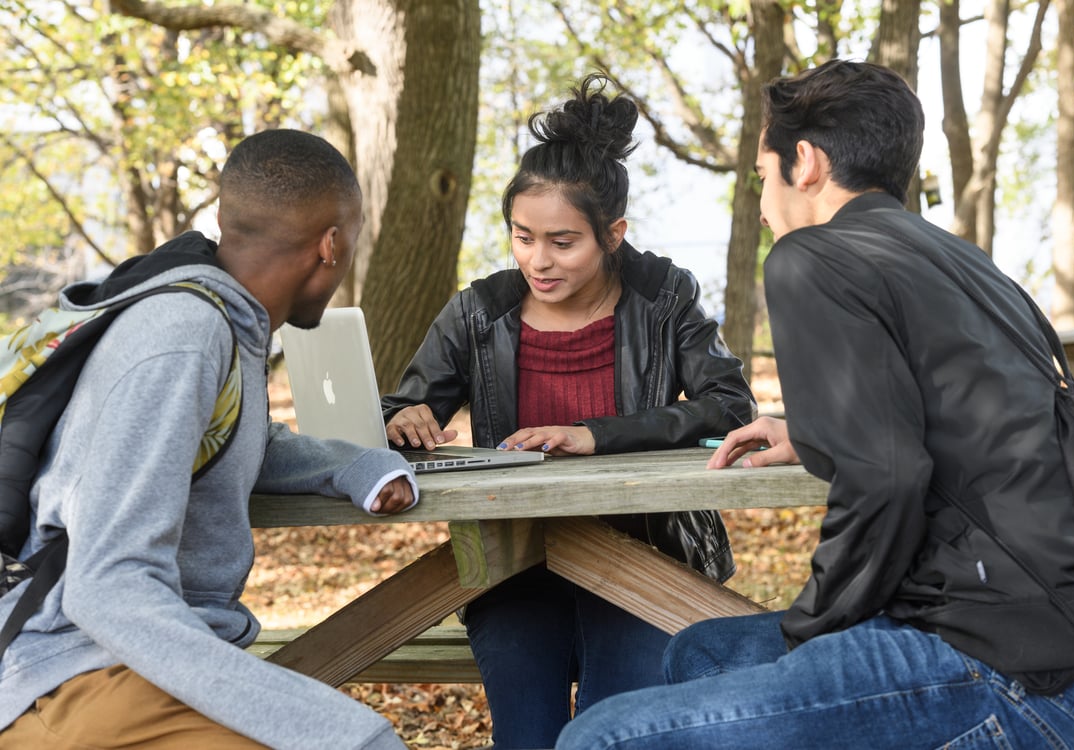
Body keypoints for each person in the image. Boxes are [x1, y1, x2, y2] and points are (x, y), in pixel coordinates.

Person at [555, 59, 1074, 749]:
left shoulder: (812, 256)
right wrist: (814, 430)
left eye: (761, 176)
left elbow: (885, 477)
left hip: (1003, 673)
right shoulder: (963, 262)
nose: (761, 205)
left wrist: (811, 631)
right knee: (699, 653)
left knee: (600, 737)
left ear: (806, 161)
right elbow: (961, 415)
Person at [0, 129, 417, 749]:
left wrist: (356, 468)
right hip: (71, 676)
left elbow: (240, 438)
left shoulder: (221, 319)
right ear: (331, 244)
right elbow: (108, 586)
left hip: (125, 663)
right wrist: (342, 734)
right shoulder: (184, 334)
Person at [381, 74, 756, 749]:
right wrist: (401, 417)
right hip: (514, 571)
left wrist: (595, 435)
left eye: (562, 242)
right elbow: (407, 402)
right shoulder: (477, 311)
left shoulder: (664, 297)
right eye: (522, 237)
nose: (537, 261)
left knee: (615, 736)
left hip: (648, 559)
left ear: (612, 233)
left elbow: (729, 406)